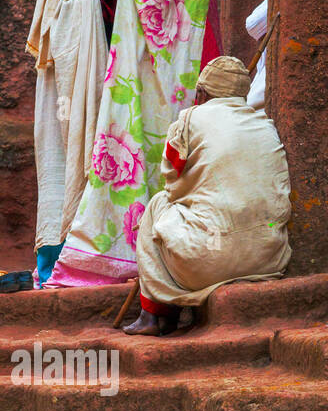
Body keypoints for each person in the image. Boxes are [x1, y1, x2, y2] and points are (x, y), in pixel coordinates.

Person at [124, 55, 292, 336]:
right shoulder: (264, 123)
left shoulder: (190, 118)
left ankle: (154, 314)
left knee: (158, 204)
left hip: (208, 262)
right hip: (268, 257)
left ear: (201, 93)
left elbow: (172, 178)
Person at [26, 0, 129, 286]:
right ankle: (60, 265)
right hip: (69, 89)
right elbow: (69, 18)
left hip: (101, 81)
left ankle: (102, 262)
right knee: (65, 161)